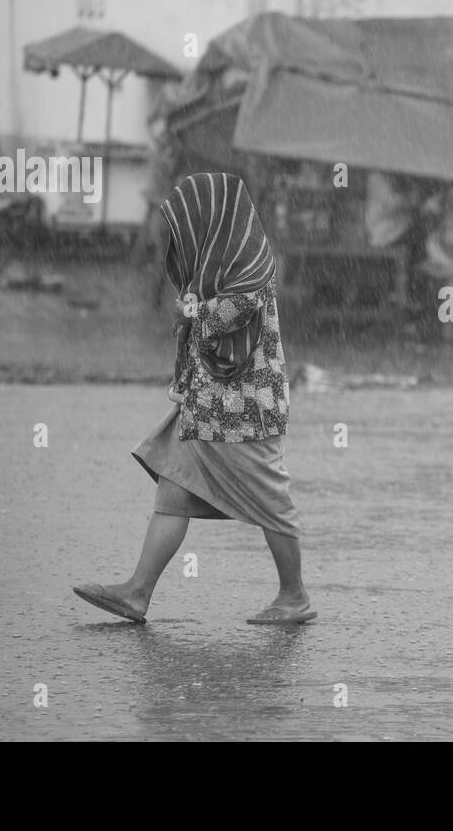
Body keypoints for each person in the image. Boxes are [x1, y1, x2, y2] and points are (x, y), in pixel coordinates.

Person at [73, 172, 315, 625]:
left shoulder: (248, 266)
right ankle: (137, 592)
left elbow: (227, 313)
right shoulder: (217, 264)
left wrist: (188, 310)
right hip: (208, 409)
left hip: (247, 412)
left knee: (270, 500)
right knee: (175, 489)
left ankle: (294, 595)